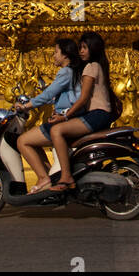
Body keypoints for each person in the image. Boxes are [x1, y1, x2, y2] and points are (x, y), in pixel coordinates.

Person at [48, 31, 121, 194]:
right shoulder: (98, 66)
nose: (81, 51)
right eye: (80, 47)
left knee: (56, 130)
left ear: (93, 49)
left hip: (97, 114)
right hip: (99, 114)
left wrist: (65, 116)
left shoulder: (90, 67)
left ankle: (66, 176)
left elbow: (83, 98)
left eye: (84, 47)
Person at [16, 38, 84, 194]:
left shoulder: (66, 72)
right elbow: (57, 96)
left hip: (65, 120)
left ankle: (43, 178)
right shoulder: (74, 71)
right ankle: (50, 177)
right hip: (69, 117)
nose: (53, 56)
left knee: (23, 141)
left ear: (65, 55)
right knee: (34, 142)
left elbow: (47, 95)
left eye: (56, 52)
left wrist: (26, 105)